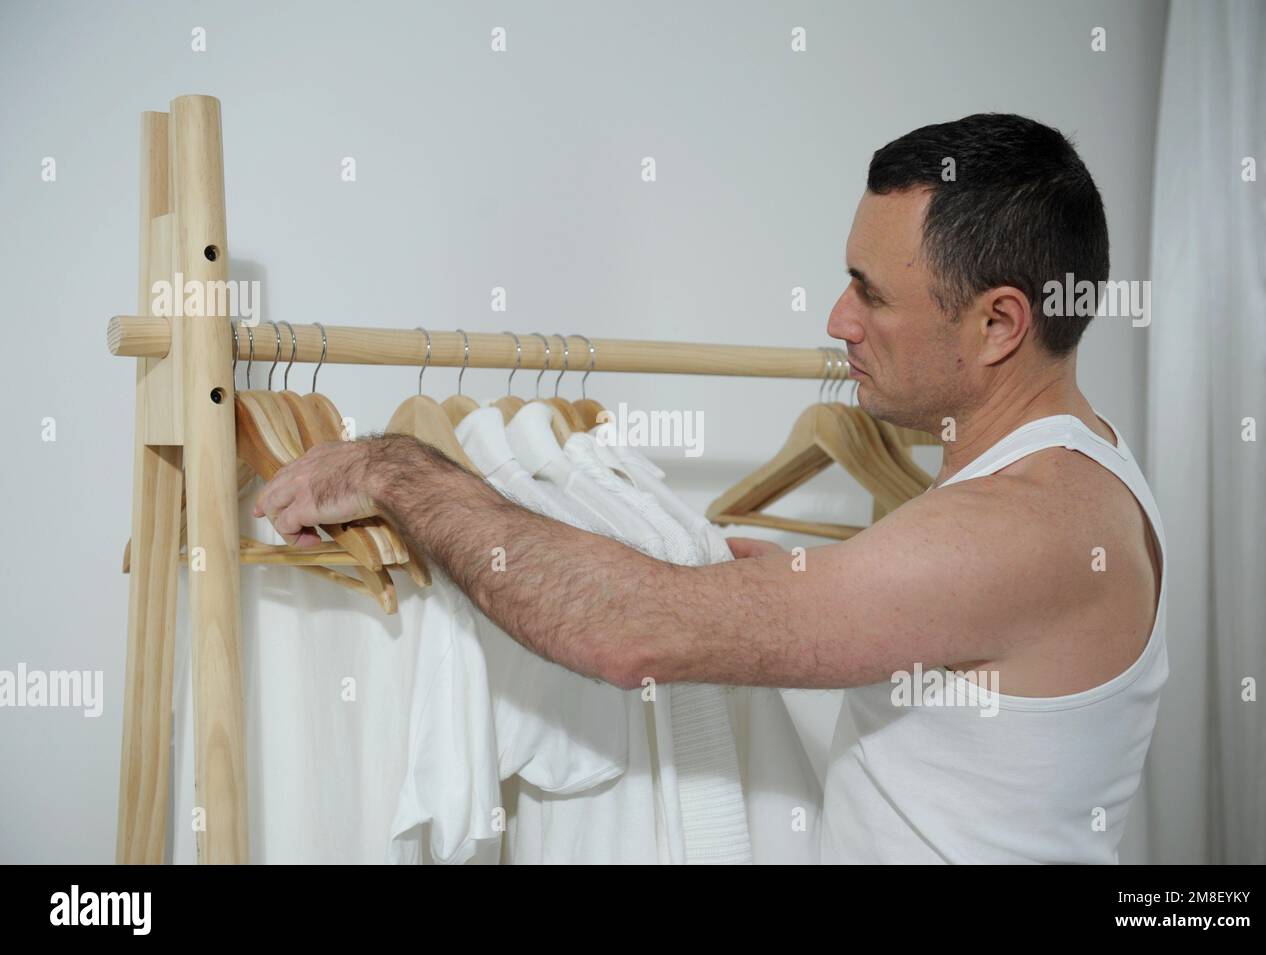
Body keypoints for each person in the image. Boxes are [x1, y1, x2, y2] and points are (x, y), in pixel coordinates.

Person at [255, 114, 1166, 864]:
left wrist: (395, 466)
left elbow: (629, 634)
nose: (837, 320)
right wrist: (794, 595)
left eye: (872, 293)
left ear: (1000, 322)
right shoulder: (1080, 469)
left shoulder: (1016, 527)